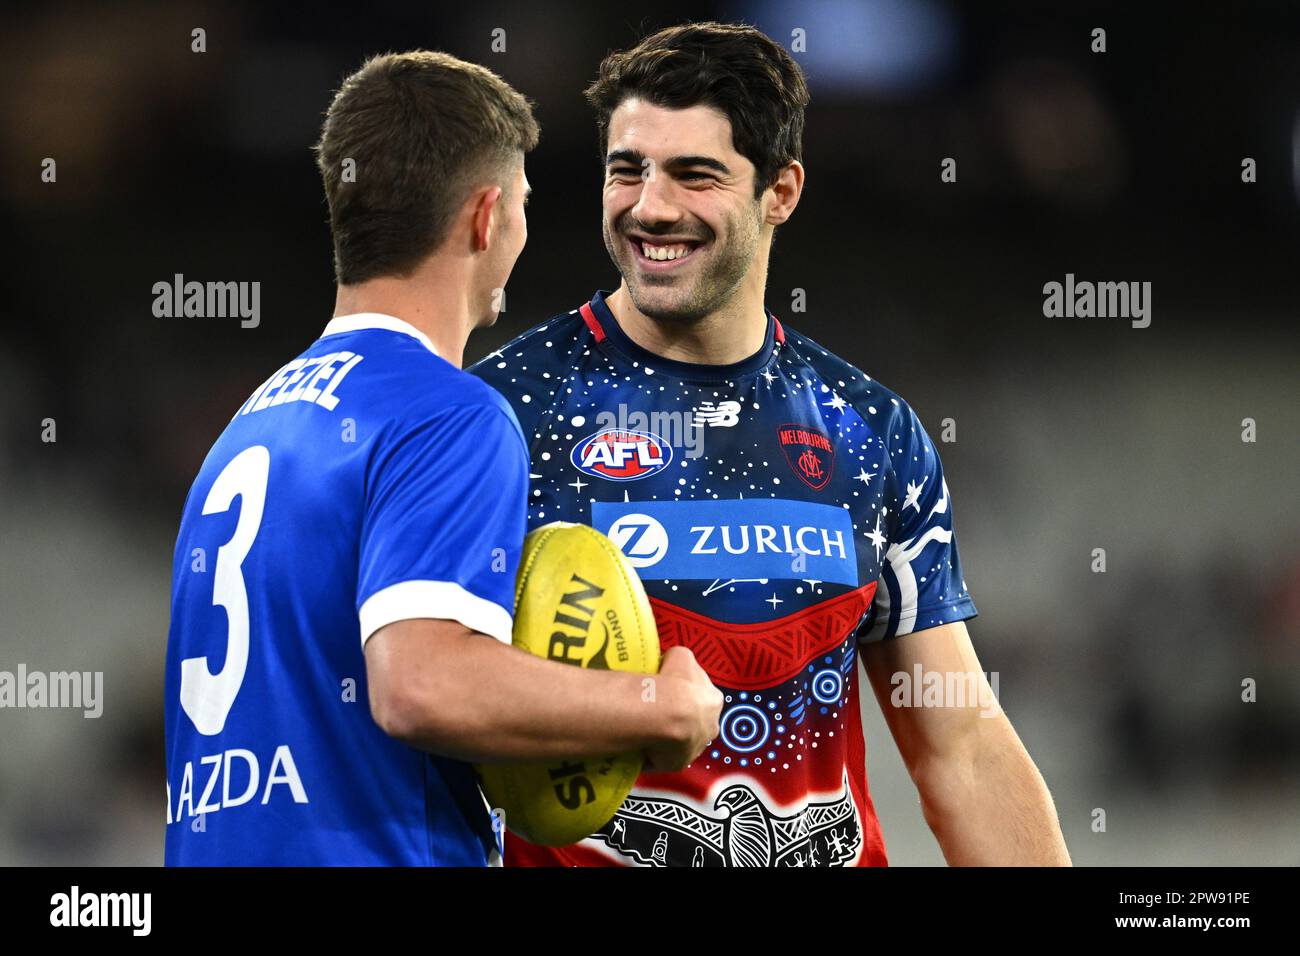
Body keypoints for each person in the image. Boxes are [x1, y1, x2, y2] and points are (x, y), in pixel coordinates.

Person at [471, 23, 1070, 866]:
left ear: (781, 191)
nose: (650, 207)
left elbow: (960, 749)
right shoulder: (500, 415)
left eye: (694, 174)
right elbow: (414, 696)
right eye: (627, 169)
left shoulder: (871, 433)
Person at [163, 50, 721, 866]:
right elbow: (422, 684)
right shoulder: (445, 413)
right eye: (525, 203)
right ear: (486, 216)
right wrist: (656, 706)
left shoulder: (247, 430)